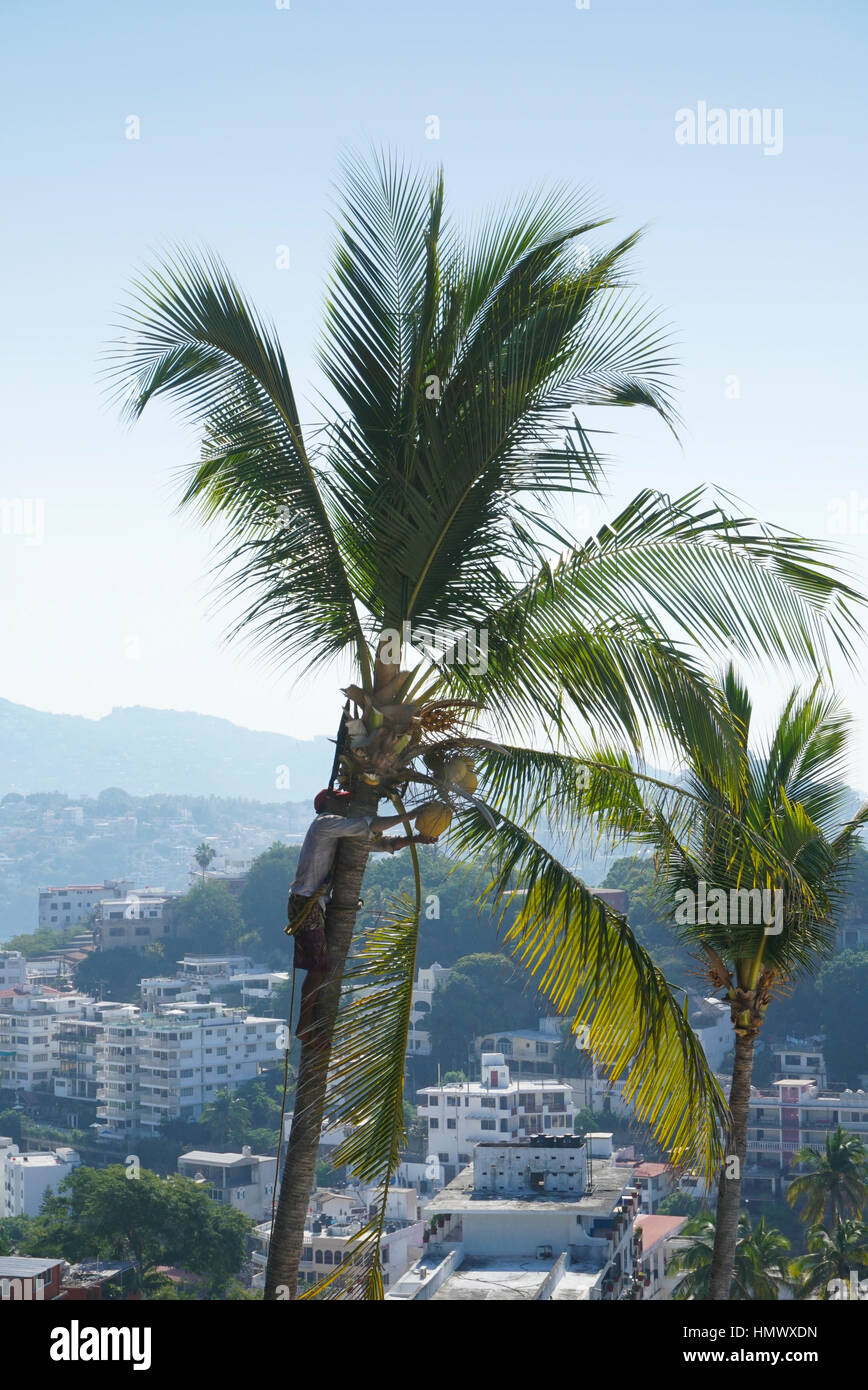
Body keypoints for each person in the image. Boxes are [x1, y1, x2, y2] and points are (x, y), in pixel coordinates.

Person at [286, 788, 435, 1041]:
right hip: (306, 903)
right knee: (318, 969)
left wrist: (417, 840)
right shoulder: (325, 824)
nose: (347, 806)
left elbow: (384, 844)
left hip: (314, 904)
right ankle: (303, 1027)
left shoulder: (340, 832)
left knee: (320, 967)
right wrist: (411, 815)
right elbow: (369, 826)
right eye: (342, 802)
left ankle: (307, 1025)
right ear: (328, 803)